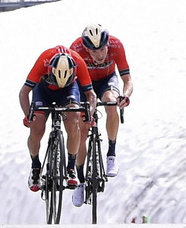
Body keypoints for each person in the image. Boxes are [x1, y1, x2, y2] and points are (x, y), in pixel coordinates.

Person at [22, 45, 89, 194]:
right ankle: (35, 166)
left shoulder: (79, 62)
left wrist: (87, 114)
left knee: (73, 119)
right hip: (43, 89)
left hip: (69, 90)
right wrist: (28, 115)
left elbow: (90, 94)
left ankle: (71, 168)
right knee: (37, 127)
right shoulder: (43, 60)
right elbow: (24, 92)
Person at [73, 23, 132, 174]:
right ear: (86, 49)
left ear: (107, 44)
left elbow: (127, 80)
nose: (99, 55)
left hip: (107, 80)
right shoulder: (76, 49)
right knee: (82, 127)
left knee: (111, 102)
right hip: (85, 85)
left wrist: (124, 95)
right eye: (94, 51)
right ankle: (80, 177)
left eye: (102, 49)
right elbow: (70, 82)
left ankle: (111, 155)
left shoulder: (116, 45)